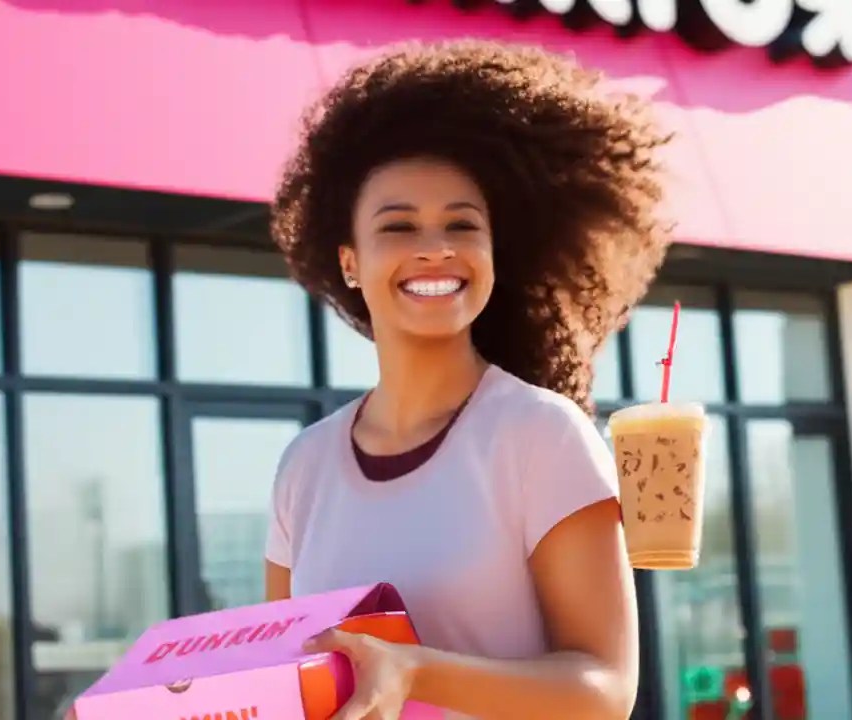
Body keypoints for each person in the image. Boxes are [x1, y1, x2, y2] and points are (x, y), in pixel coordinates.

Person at [265, 39, 672, 720]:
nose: (435, 247)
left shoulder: (541, 436)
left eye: (462, 225)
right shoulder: (304, 468)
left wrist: (415, 672)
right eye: (398, 226)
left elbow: (605, 690)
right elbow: (283, 684)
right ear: (349, 263)